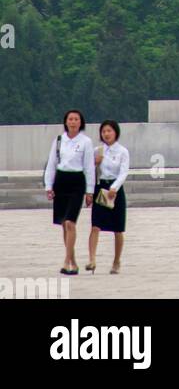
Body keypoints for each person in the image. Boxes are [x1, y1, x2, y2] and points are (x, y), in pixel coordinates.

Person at [44, 109, 95, 275]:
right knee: (63, 225)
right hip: (61, 182)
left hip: (77, 183)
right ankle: (73, 261)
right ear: (66, 122)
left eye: (76, 119)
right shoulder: (59, 140)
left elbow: (89, 167)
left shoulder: (86, 142)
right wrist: (48, 186)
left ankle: (66, 261)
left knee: (70, 222)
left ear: (81, 123)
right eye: (70, 119)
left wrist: (90, 191)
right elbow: (52, 163)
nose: (73, 122)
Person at [87, 119, 129, 274]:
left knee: (117, 229)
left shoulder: (123, 151)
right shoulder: (97, 151)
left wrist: (114, 187)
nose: (106, 134)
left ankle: (116, 261)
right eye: (104, 131)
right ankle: (92, 260)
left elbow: (123, 172)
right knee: (96, 225)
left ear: (115, 132)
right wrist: (94, 163)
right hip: (101, 188)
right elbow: (89, 172)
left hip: (115, 191)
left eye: (109, 131)